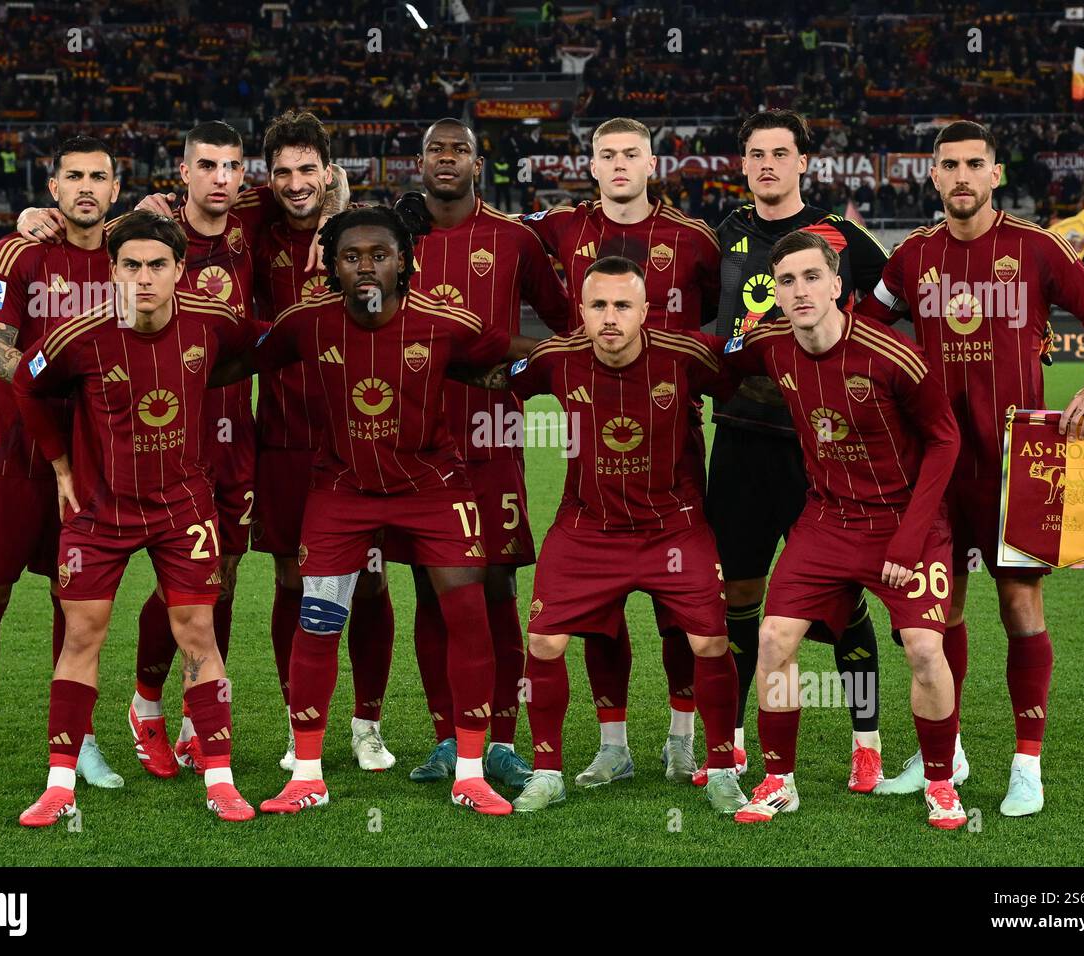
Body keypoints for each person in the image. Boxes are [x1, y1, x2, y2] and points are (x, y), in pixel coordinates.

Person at [212, 205, 535, 816]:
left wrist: (585, 354)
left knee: (467, 617)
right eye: (352, 256)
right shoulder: (305, 323)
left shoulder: (443, 324)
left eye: (379, 255)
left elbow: (516, 353)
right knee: (318, 623)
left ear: (403, 263)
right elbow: (236, 360)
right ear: (331, 267)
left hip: (435, 489)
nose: (366, 266)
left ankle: (470, 772)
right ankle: (306, 774)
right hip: (341, 492)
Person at [858, 120, 1084, 815]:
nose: (961, 177)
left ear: (995, 174)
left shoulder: (1036, 249)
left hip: (1020, 466)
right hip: (936, 469)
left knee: (1019, 606)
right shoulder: (911, 258)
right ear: (934, 176)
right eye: (948, 166)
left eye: (974, 164)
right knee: (935, 611)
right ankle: (943, 752)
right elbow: (866, 325)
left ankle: (1026, 765)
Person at [11, 211, 258, 825]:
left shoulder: (213, 320)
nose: (143, 278)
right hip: (98, 511)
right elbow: (24, 382)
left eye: (156, 266)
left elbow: (257, 350)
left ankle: (220, 778)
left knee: (198, 633)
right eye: (130, 266)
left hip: (182, 506)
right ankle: (58, 784)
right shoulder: (80, 333)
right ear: (112, 270)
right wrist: (61, 464)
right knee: (81, 637)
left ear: (179, 270)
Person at [483, 256, 746, 815]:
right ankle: (554, 769)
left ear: (645, 311)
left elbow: (745, 374)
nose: (610, 317)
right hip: (587, 527)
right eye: (598, 305)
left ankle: (719, 766)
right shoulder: (556, 359)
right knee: (546, 642)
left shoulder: (686, 354)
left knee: (709, 642)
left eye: (623, 305)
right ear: (580, 311)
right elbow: (497, 378)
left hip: (673, 525)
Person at [723, 230, 965, 830]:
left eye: (812, 278)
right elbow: (709, 358)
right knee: (774, 640)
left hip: (907, 523)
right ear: (773, 293)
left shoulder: (893, 355)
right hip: (827, 519)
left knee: (925, 650)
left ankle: (940, 781)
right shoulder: (769, 345)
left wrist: (910, 540)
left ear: (838, 285)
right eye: (786, 281)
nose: (800, 291)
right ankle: (780, 778)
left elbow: (945, 440)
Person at [520, 116, 723, 788]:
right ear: (591, 161)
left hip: (672, 448)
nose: (617, 165)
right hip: (592, 467)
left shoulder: (695, 239)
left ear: (652, 160)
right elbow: (487, 234)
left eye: (630, 153)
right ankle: (612, 747)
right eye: (604, 154)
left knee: (679, 620)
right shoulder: (559, 227)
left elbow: (729, 332)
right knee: (597, 622)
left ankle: (682, 741)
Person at [708, 109, 894, 792]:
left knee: (843, 602)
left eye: (780, 153)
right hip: (739, 439)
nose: (767, 165)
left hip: (824, 445)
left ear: (803, 162)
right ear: (744, 162)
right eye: (755, 153)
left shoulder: (839, 237)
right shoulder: (721, 235)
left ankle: (866, 740)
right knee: (739, 595)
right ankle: (728, 743)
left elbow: (890, 303)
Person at [0, 135, 124, 805]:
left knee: (79, 609)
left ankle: (80, 741)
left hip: (90, 463)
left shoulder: (129, 258)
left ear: (114, 189)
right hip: (9, 455)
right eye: (72, 175)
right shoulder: (17, 252)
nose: (85, 187)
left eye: (98, 177)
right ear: (52, 188)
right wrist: (58, 387)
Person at [394, 118, 571, 789]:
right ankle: (448, 738)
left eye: (458, 150)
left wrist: (521, 373)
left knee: (496, 585)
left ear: (477, 162)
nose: (446, 159)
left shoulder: (513, 238)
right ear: (420, 160)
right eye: (435, 148)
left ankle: (499, 740)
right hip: (411, 446)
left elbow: (565, 327)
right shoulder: (396, 238)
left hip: (493, 440)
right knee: (431, 591)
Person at [247, 109, 397, 775]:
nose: (295, 182)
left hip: (357, 439)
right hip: (282, 438)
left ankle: (368, 725)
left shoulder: (363, 236)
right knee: (290, 579)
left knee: (368, 582)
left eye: (309, 169)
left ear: (329, 172)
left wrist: (340, 213)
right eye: (283, 171)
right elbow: (187, 204)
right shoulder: (257, 229)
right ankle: (297, 720)